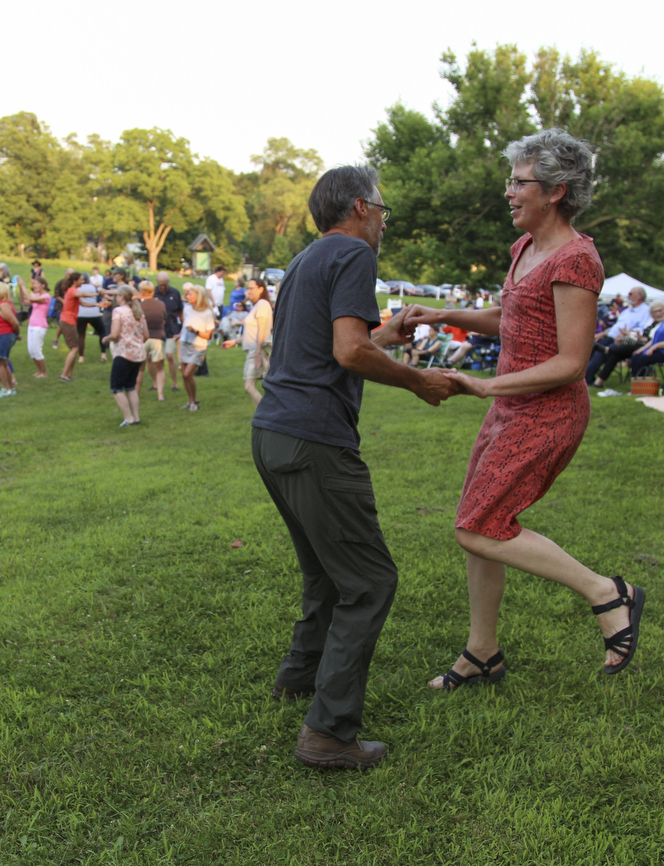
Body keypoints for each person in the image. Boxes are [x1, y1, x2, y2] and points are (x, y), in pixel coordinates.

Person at [407, 129, 646, 697]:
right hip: (512, 408)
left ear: (556, 191)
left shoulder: (577, 259)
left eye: (520, 182)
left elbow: (571, 361)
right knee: (480, 521)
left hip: (548, 413)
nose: (509, 192)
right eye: (510, 180)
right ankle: (482, 653)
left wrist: (487, 386)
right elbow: (512, 317)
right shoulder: (524, 250)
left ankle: (606, 593)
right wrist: (443, 316)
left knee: (477, 527)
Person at [251, 164, 455, 770]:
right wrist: (419, 380)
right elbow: (347, 351)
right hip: (315, 442)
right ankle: (329, 734)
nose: (385, 221)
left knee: (324, 572)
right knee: (368, 583)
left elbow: (334, 347)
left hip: (273, 433)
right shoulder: (355, 255)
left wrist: (385, 333)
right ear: (362, 207)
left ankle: (298, 679)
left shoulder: (306, 259)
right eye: (384, 210)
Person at [589, 299, 664, 388]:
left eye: (660, 310)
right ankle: (598, 383)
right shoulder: (651, 322)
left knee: (623, 348)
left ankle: (608, 350)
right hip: (639, 342)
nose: (658, 313)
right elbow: (640, 334)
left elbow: (654, 339)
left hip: (649, 347)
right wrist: (628, 333)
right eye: (655, 311)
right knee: (615, 355)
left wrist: (641, 338)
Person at [101, 285, 149, 426]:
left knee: (116, 387)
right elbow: (146, 335)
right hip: (138, 354)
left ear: (121, 297)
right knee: (131, 386)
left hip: (123, 353)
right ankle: (136, 418)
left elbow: (115, 334)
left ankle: (128, 418)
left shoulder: (118, 311)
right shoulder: (139, 313)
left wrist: (106, 338)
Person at [585, 287, 652, 385]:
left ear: (640, 296)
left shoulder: (646, 311)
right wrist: (601, 333)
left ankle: (587, 379)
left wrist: (626, 334)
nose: (628, 296)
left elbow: (642, 330)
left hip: (624, 341)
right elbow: (615, 327)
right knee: (588, 349)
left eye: (630, 293)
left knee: (599, 354)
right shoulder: (627, 311)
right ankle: (581, 378)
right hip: (610, 337)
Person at [224, 280, 273, 407]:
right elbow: (252, 333)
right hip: (253, 349)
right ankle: (262, 416)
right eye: (248, 288)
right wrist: (234, 341)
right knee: (252, 386)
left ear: (261, 289)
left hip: (258, 350)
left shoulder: (262, 304)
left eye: (251, 288)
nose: (248, 291)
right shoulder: (256, 306)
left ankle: (265, 415)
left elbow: (263, 330)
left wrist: (257, 352)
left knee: (249, 386)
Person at [177, 284, 215, 412]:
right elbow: (184, 325)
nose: (187, 296)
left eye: (190, 294)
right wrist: (179, 335)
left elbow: (208, 335)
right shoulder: (187, 309)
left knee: (188, 374)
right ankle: (190, 401)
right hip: (185, 344)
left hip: (198, 347)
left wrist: (195, 331)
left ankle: (195, 400)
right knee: (184, 375)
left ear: (198, 296)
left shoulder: (207, 313)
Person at [0, 283, 20, 398]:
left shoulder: (3, 305)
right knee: (4, 362)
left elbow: (14, 321)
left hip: (2, 336)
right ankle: (10, 388)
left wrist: (18, 333)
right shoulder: (0, 304)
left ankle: (5, 389)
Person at [137, 280, 168, 400]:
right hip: (157, 339)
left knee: (139, 370)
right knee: (160, 368)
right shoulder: (161, 304)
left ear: (141, 292)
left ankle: (136, 394)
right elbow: (164, 320)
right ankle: (160, 395)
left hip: (142, 339)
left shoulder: (139, 306)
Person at [154, 271, 184, 391]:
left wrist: (182, 328)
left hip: (171, 329)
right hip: (157, 329)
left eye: (165, 284)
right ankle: (156, 384)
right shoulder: (153, 293)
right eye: (160, 284)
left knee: (170, 355)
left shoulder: (175, 292)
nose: (162, 287)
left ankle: (174, 383)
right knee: (156, 358)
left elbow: (181, 312)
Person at [18, 275, 52, 378]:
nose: (35, 285)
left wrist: (23, 287)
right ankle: (39, 371)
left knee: (37, 350)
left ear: (43, 285)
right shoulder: (36, 296)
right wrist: (20, 287)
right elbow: (23, 301)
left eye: (37, 284)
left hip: (40, 326)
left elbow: (30, 298)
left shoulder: (46, 296)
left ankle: (43, 372)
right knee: (31, 350)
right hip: (32, 325)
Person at [56, 273, 85, 382]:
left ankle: (70, 374)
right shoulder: (73, 290)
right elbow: (83, 294)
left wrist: (98, 305)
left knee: (74, 347)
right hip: (68, 321)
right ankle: (63, 375)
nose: (83, 281)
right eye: (81, 280)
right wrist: (98, 293)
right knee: (74, 348)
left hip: (68, 321)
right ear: (74, 281)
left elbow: (83, 303)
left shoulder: (71, 290)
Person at [75, 271, 108, 363]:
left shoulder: (78, 288)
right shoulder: (94, 287)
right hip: (94, 313)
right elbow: (99, 297)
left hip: (81, 313)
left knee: (81, 335)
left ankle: (81, 357)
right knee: (102, 332)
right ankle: (103, 354)